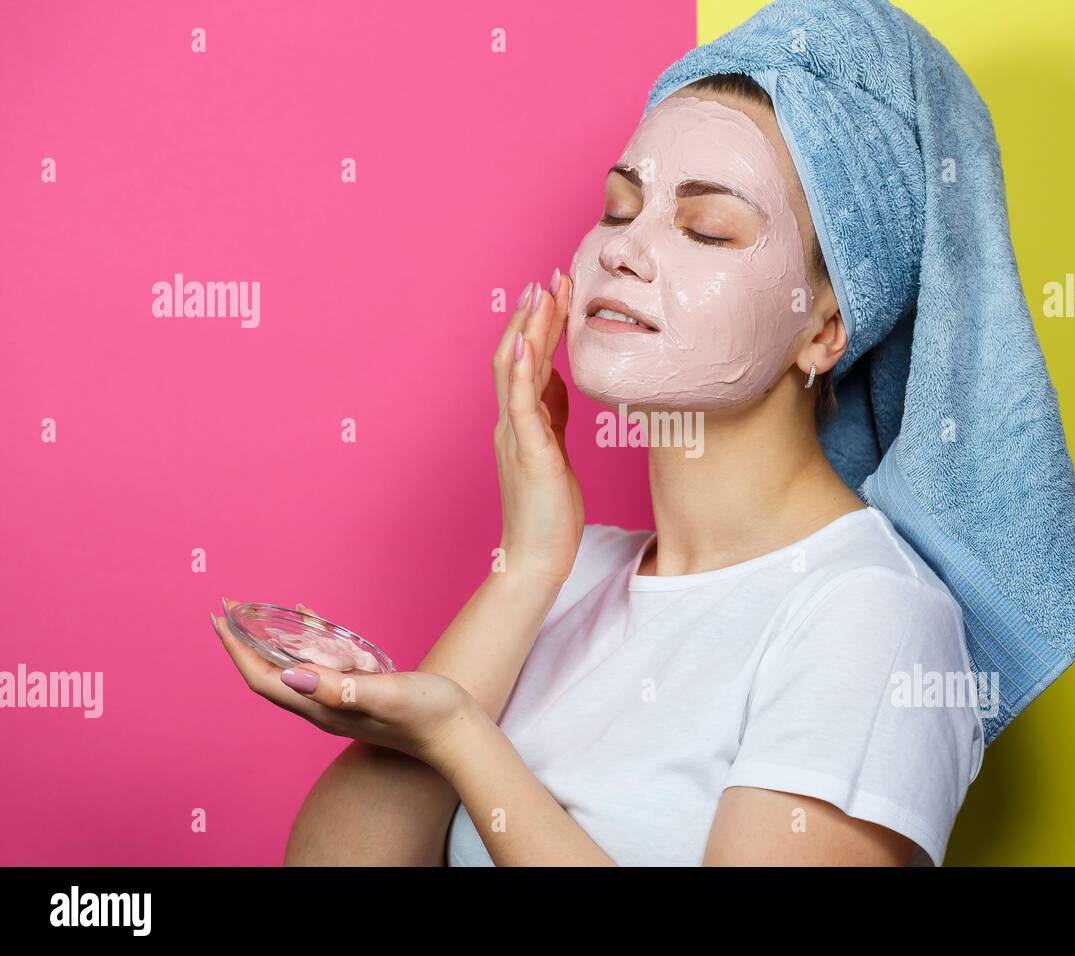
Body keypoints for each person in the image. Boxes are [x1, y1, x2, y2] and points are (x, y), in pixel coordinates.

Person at [212, 66, 985, 866]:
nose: (624, 249)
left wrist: (458, 736)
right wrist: (529, 568)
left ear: (825, 331)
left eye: (706, 228)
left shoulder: (875, 618)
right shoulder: (570, 574)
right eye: (619, 208)